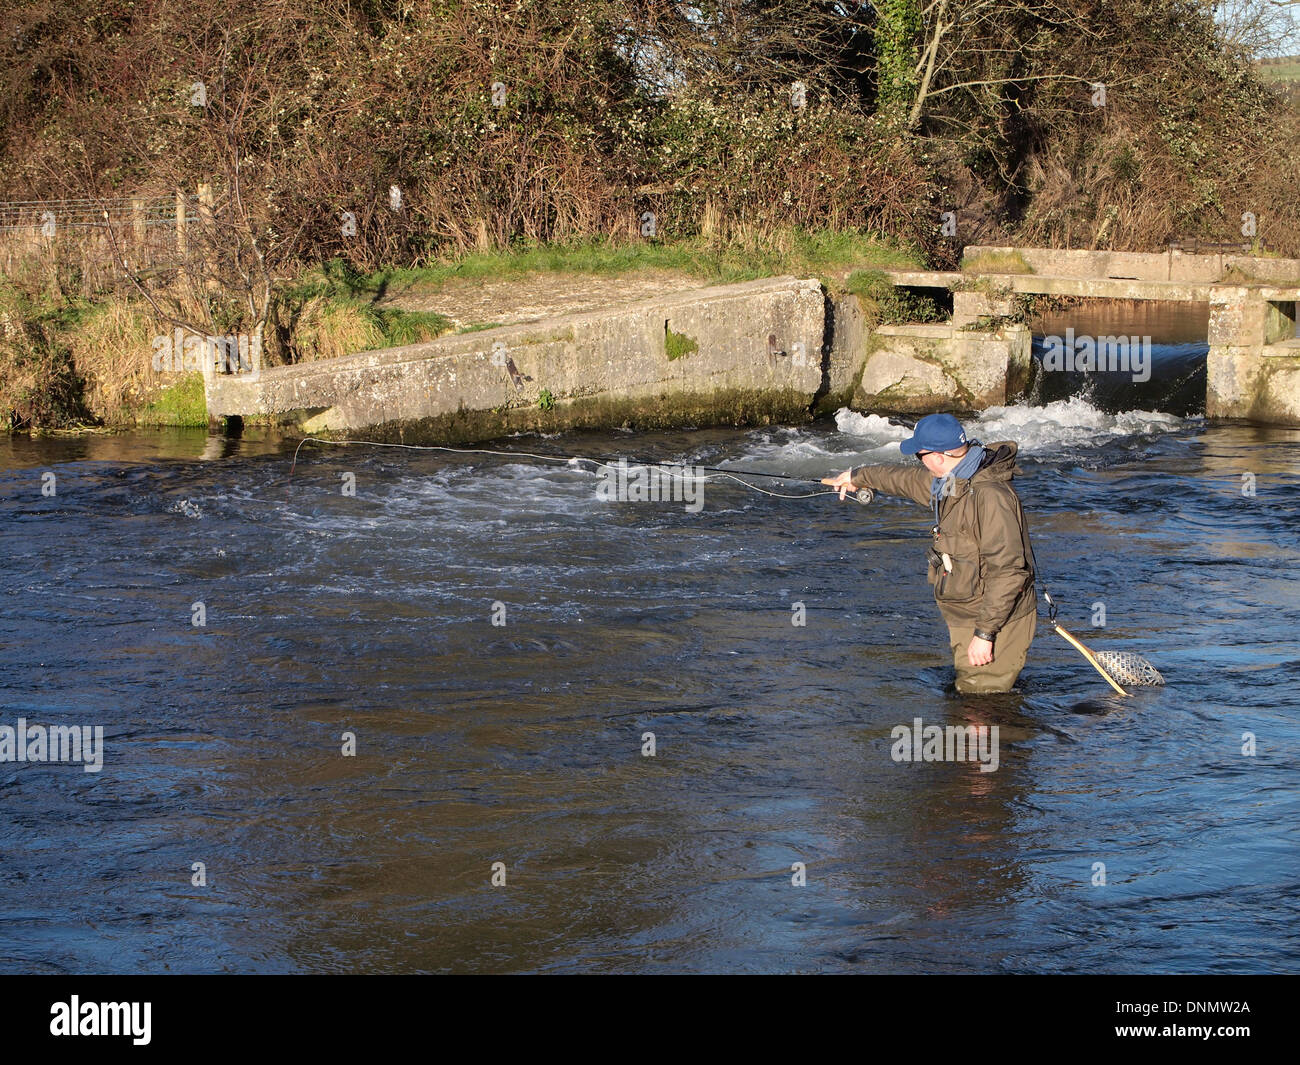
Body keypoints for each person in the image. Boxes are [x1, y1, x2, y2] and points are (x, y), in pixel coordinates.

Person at [822, 413, 1037, 693]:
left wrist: (985, 634)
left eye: (919, 455)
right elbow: (906, 480)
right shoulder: (954, 479)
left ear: (936, 457)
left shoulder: (990, 497)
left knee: (980, 709)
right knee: (971, 709)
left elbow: (1008, 573)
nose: (919, 463)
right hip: (969, 613)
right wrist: (858, 477)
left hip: (995, 620)